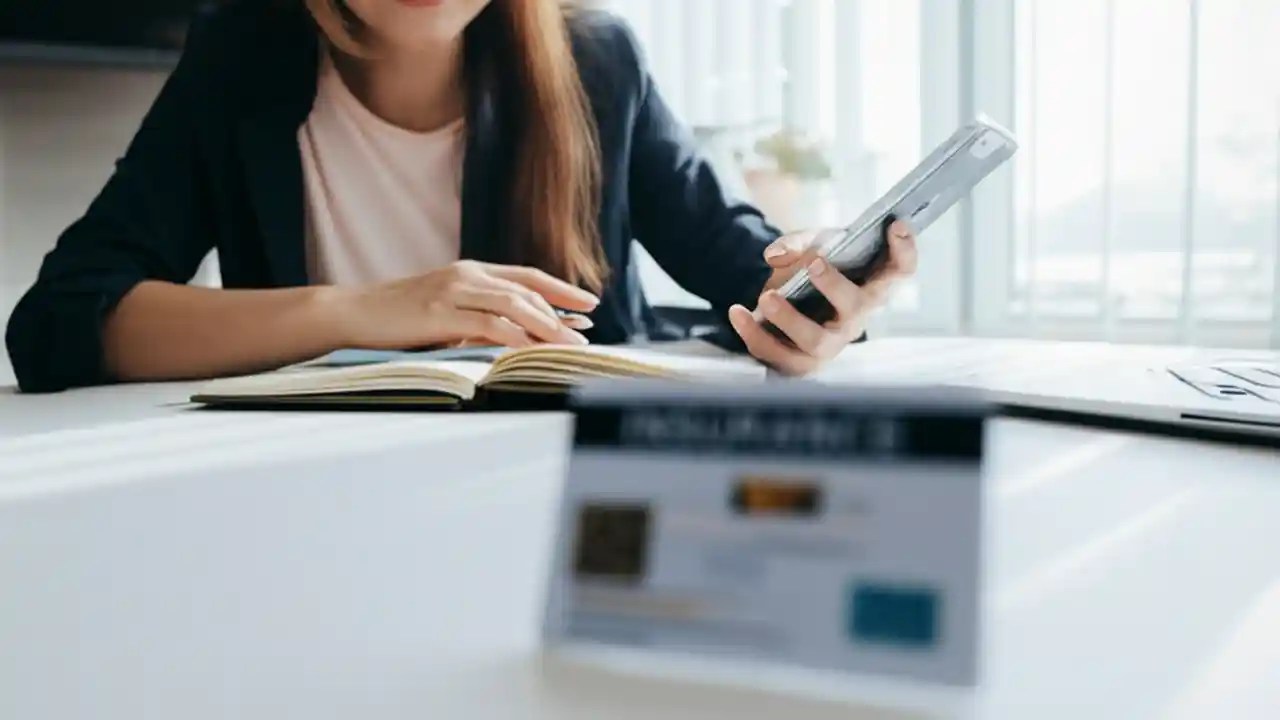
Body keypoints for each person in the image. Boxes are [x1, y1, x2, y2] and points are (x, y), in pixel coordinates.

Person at [4, 0, 917, 394]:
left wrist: (819, 300)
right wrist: (366, 311)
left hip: (550, 495)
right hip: (303, 489)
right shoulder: (240, 56)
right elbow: (62, 322)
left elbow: (744, 268)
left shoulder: (595, 60)